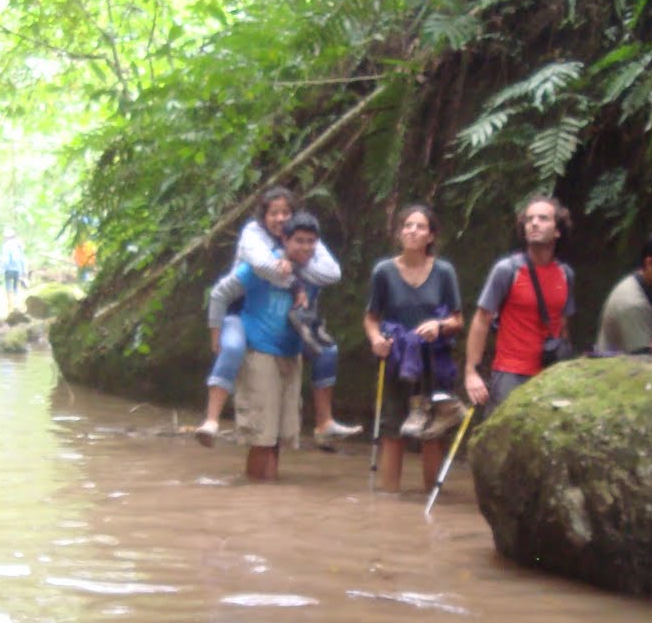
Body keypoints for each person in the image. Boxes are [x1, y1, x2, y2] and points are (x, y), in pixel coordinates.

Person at [193, 188, 359, 448]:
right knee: (232, 348)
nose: (280, 218)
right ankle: (211, 420)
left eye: (286, 212)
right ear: (264, 216)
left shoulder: (302, 238)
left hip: (290, 326)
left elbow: (332, 273)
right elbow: (260, 267)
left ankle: (324, 422)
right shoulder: (253, 234)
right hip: (239, 308)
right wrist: (294, 282)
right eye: (274, 213)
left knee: (328, 352)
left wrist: (296, 265)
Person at [209, 212, 322, 481]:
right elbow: (220, 293)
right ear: (285, 240)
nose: (305, 247)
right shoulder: (261, 267)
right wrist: (216, 334)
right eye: (299, 241)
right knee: (261, 437)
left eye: (311, 242)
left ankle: (267, 492)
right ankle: (255, 495)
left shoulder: (313, 273)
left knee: (278, 438)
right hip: (259, 352)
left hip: (291, 354)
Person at [364, 204, 466, 492]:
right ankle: (388, 502)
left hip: (434, 359)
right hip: (396, 357)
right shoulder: (384, 272)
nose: (412, 231)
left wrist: (438, 325)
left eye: (420, 226)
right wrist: (375, 340)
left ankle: (431, 496)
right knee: (392, 428)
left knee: (433, 429)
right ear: (399, 233)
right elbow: (372, 318)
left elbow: (458, 320)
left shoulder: (444, 272)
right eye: (407, 225)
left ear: (431, 236)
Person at [463, 196, 576, 410]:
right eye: (529, 219)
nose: (534, 223)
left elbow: (563, 324)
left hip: (550, 372)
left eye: (543, 218)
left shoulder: (565, 274)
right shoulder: (508, 270)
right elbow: (482, 319)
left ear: (557, 230)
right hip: (510, 373)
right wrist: (471, 372)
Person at [0, 227, 27, 313]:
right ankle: (17, 306)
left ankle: (11, 308)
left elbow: (5, 259)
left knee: (8, 288)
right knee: (16, 288)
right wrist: (24, 271)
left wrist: (0, 271)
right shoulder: (18, 245)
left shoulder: (6, 245)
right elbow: (22, 259)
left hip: (8, 269)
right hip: (18, 270)